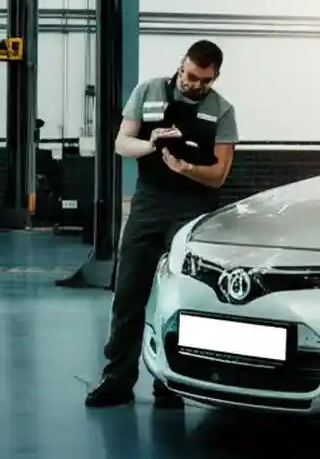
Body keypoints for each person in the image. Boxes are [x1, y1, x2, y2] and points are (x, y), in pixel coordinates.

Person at [85, 40, 239, 408]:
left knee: (182, 299)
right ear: (181, 65)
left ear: (215, 77)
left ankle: (171, 383)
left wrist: (187, 168)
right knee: (128, 294)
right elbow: (122, 143)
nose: (194, 85)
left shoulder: (222, 111)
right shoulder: (149, 91)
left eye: (204, 81)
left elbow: (219, 175)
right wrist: (151, 144)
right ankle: (117, 380)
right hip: (148, 205)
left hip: (193, 212)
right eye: (190, 75)